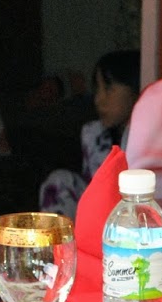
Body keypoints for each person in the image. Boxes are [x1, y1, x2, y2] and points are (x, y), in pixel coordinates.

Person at [39, 49, 140, 216]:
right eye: (97, 89)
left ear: (135, 90)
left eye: (108, 89)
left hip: (132, 221)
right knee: (59, 180)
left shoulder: (149, 137)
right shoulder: (95, 135)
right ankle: (61, 242)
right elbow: (94, 192)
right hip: (97, 218)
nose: (99, 99)